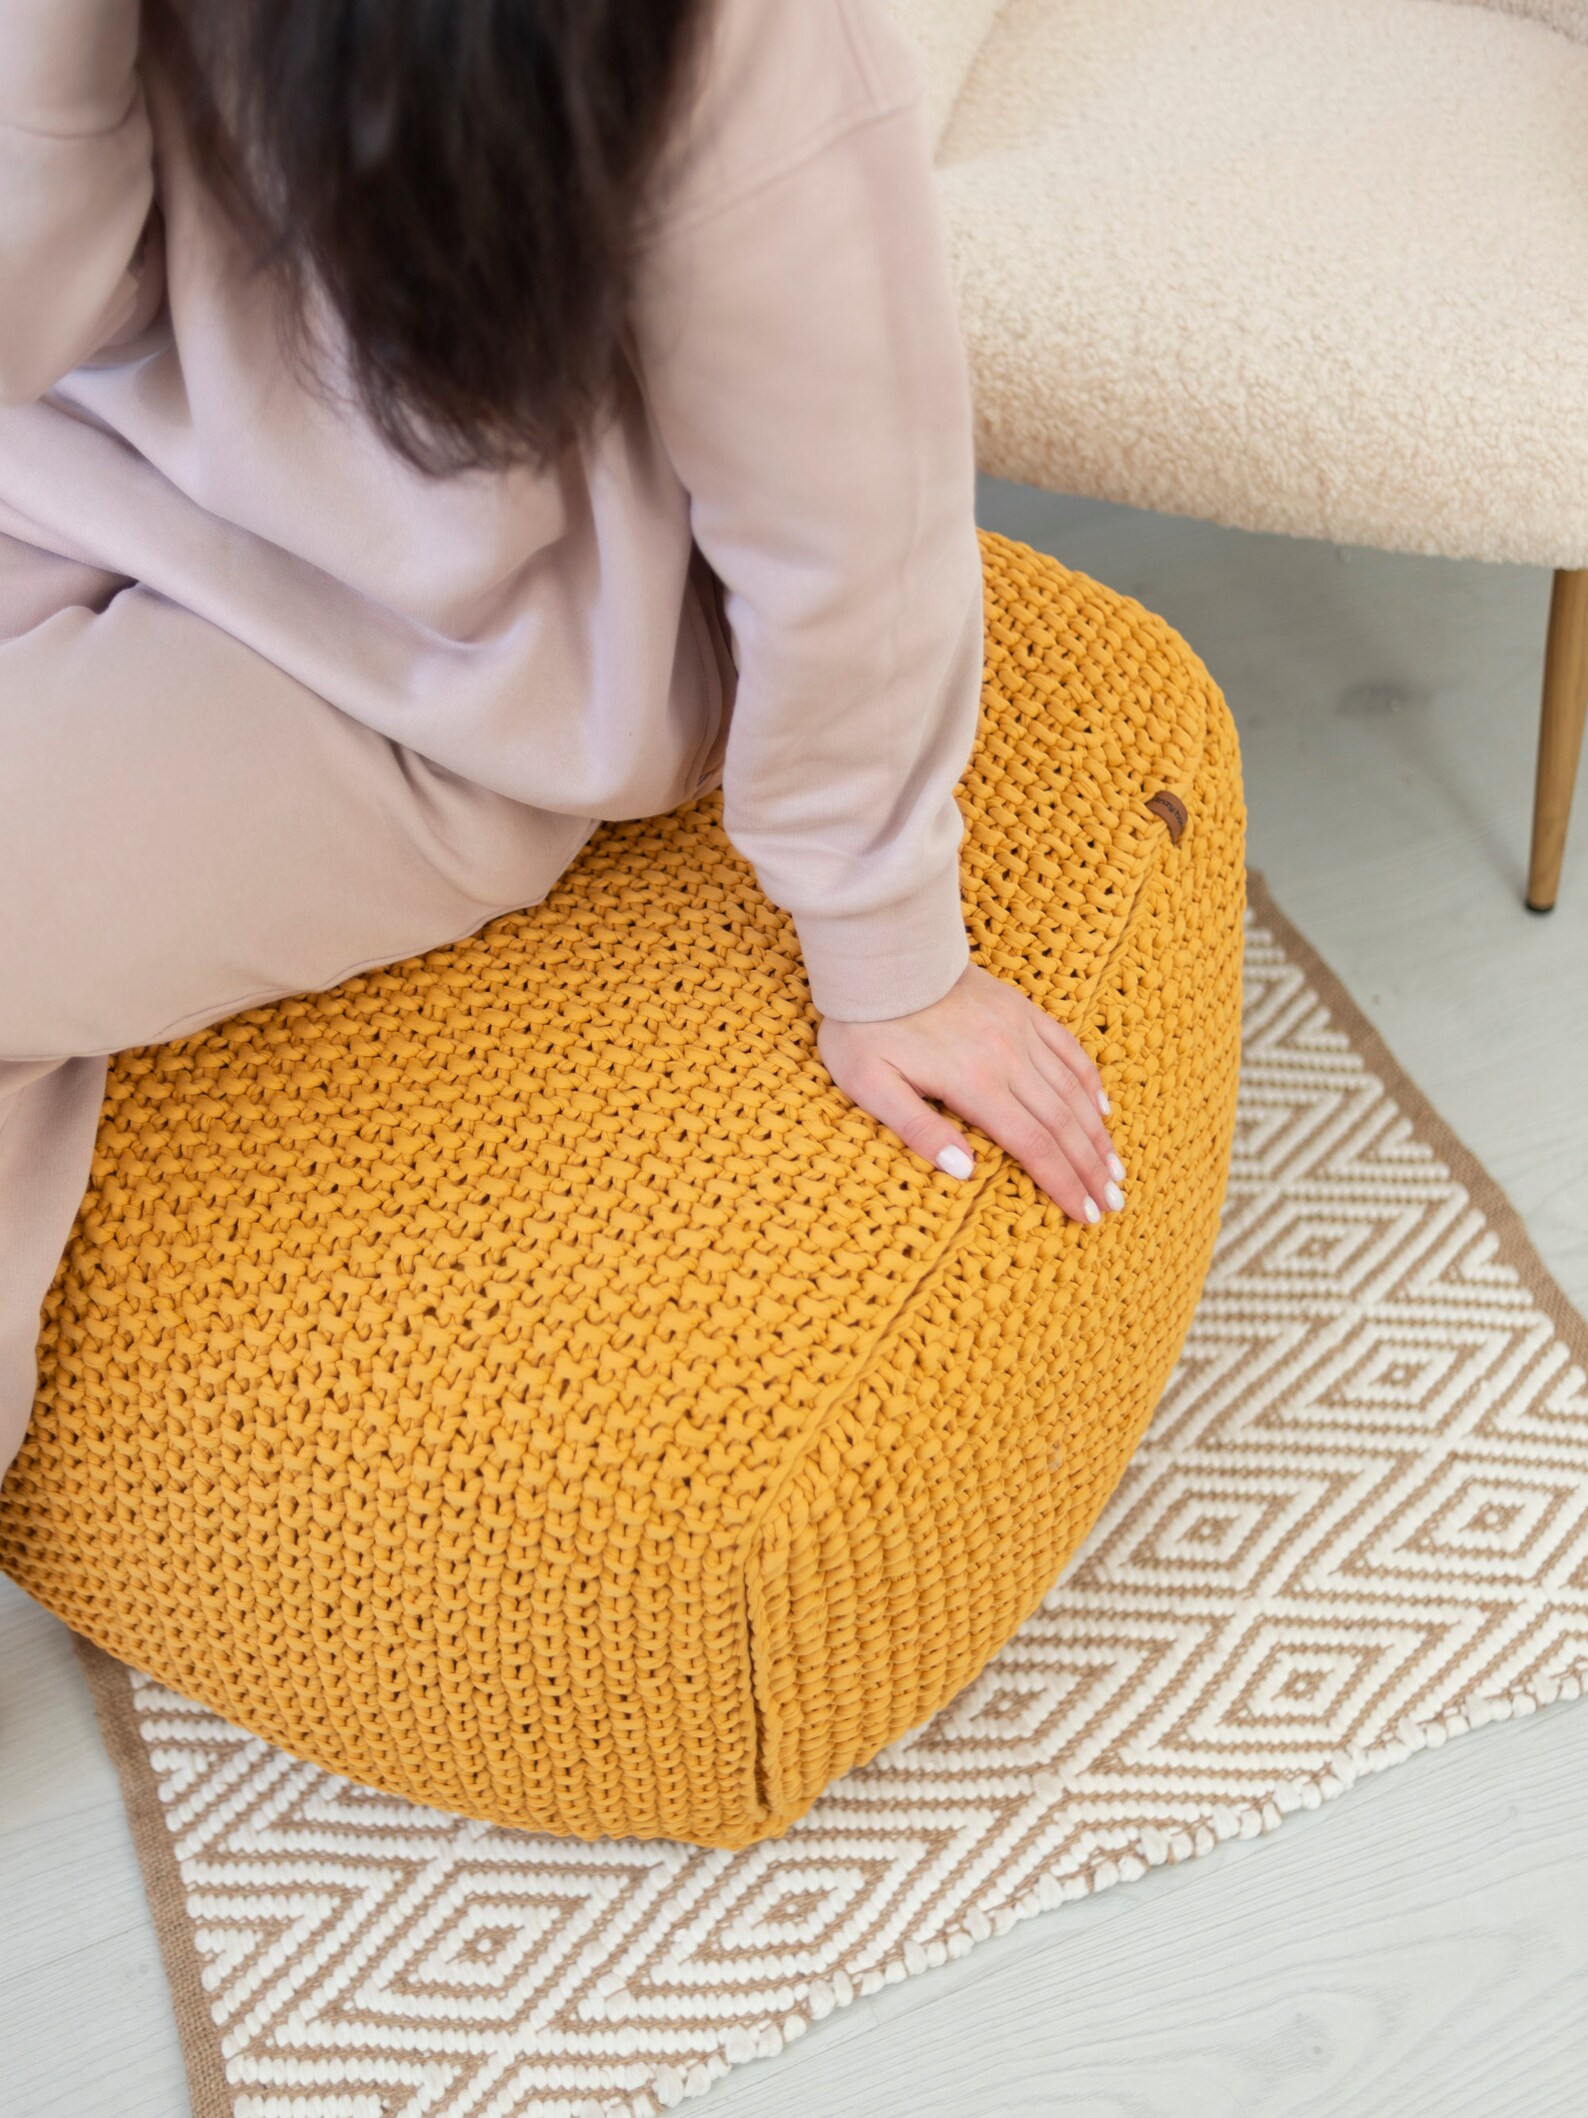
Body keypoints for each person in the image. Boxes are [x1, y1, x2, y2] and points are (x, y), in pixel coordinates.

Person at [0, 0, 1128, 1485]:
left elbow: (855, 508)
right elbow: (33, 309)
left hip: (435, 660)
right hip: (70, 459)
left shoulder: (733, 43)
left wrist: (883, 936)